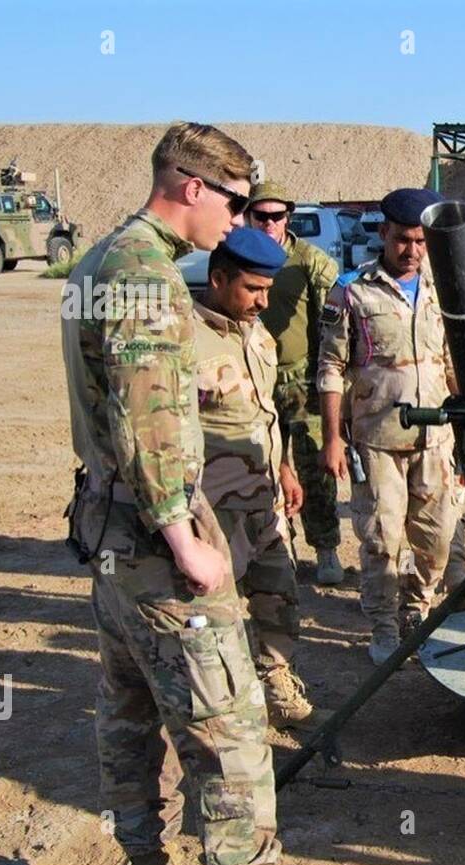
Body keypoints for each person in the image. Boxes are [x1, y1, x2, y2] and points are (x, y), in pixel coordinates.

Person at [60, 122, 279, 865]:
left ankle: (139, 855)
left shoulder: (99, 259)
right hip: (157, 541)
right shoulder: (146, 276)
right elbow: (146, 414)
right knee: (230, 740)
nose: (239, 221)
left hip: (108, 528)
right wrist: (185, 537)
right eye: (235, 202)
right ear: (192, 187)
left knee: (127, 709)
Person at [317, 188, 460, 665]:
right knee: (381, 539)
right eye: (403, 240)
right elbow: (331, 368)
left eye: (421, 242)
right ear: (383, 234)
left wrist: (464, 425)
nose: (412, 250)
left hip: (436, 438)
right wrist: (333, 438)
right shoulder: (352, 291)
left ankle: (416, 608)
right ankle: (384, 627)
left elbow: (449, 360)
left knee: (438, 539)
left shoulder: (442, 288)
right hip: (377, 439)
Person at [194, 227, 321, 728]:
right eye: (253, 289)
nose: (263, 301)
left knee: (278, 596)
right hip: (213, 505)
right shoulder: (182, 337)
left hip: (264, 497)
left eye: (268, 290)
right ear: (219, 278)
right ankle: (218, 704)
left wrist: (285, 468)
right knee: (213, 611)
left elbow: (267, 412)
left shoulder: (257, 333)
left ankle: (276, 683)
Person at [246, 181, 345, 585]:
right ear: (249, 216)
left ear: (288, 216)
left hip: (301, 381)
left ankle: (326, 550)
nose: (269, 222)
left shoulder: (310, 262)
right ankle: (276, 549)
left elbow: (334, 329)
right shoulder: (239, 258)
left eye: (277, 215)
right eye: (261, 215)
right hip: (254, 380)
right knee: (259, 466)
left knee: (313, 468)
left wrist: (331, 386)